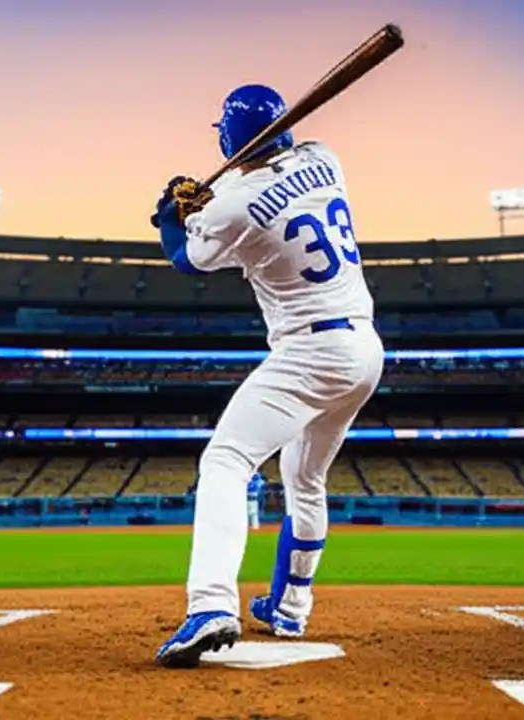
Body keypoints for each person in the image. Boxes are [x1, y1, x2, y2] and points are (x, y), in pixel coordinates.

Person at [153, 84, 383, 668]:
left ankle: (210, 605)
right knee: (303, 477)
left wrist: (169, 215)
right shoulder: (324, 157)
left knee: (226, 460)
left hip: (309, 353)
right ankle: (290, 606)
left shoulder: (231, 207)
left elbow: (187, 259)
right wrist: (210, 196)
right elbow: (266, 177)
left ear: (229, 138)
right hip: (364, 350)